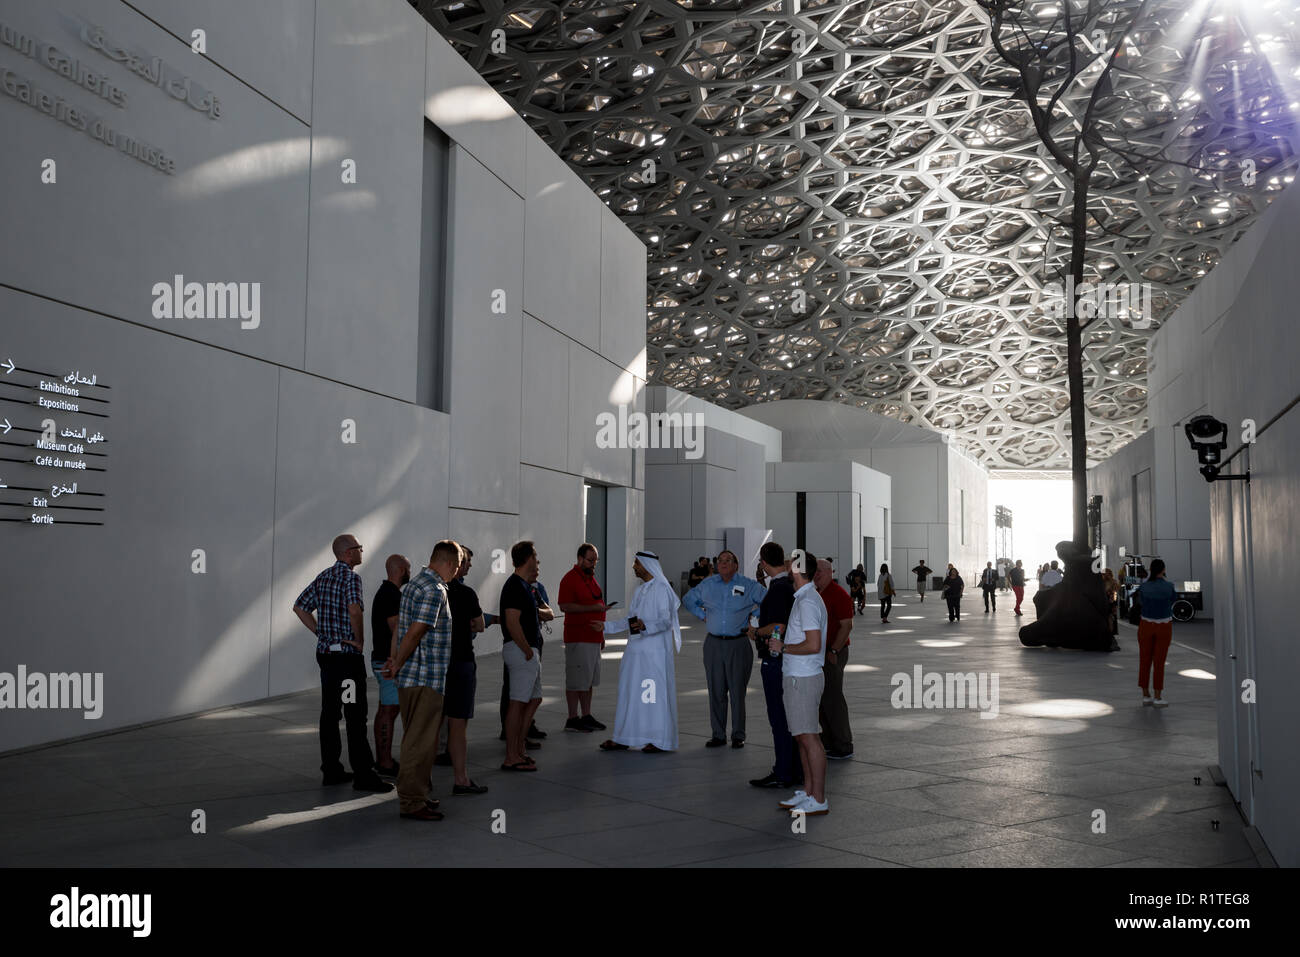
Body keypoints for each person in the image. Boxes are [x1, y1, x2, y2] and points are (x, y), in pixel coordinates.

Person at [293, 534, 391, 793]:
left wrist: (320, 633)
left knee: (330, 713)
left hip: (327, 656)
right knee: (355, 714)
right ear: (348, 553)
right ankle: (363, 775)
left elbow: (300, 607)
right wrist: (358, 641)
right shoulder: (350, 577)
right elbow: (354, 610)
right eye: (359, 548)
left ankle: (332, 769)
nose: (362, 551)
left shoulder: (323, 576)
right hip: (346, 659)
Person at [382, 539, 462, 820]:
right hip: (426, 676)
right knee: (420, 741)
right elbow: (415, 632)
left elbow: (400, 630)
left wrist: (394, 662)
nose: (456, 573)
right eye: (458, 567)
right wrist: (397, 663)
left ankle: (418, 794)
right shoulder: (435, 589)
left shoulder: (414, 584)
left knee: (416, 738)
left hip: (411, 676)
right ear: (450, 564)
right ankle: (412, 801)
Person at [598, 551, 681, 753]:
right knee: (630, 694)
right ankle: (625, 737)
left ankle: (659, 739)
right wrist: (604, 627)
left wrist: (646, 626)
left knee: (652, 697)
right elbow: (631, 620)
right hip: (635, 653)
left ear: (646, 564)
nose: (634, 567)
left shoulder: (662, 589)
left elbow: (665, 621)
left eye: (636, 563)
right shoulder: (640, 590)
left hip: (654, 657)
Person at [682, 549, 765, 748]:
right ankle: (718, 735)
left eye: (728, 560)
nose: (724, 563)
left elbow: (768, 600)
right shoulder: (708, 585)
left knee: (737, 692)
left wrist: (754, 619)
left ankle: (738, 735)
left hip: (738, 644)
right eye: (720, 560)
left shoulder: (747, 585)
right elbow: (688, 600)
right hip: (713, 644)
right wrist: (702, 615)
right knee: (716, 691)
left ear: (736, 565)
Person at [771, 550, 829, 817]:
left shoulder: (807, 602)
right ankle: (808, 792)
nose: (784, 565)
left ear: (795, 569)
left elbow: (813, 644)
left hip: (803, 678)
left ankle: (818, 798)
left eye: (787, 562)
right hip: (798, 676)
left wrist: (784, 647)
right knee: (802, 737)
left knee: (809, 738)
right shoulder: (804, 598)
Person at [747, 541, 801, 789]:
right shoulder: (788, 586)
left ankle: (783, 772)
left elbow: (779, 626)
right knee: (788, 717)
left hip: (775, 660)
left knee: (779, 717)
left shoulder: (779, 588)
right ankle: (794, 768)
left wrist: (756, 631)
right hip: (785, 660)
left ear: (763, 563)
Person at [443, 548, 489, 795]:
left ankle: (422, 782)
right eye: (466, 562)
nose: (469, 566)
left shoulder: (433, 591)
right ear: (455, 563)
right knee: (458, 724)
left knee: (429, 724)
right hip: (461, 662)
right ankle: (461, 779)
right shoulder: (466, 593)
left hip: (438, 665)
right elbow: (479, 624)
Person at [500, 541, 546, 771]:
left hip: (528, 651)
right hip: (522, 652)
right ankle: (511, 756)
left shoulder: (525, 586)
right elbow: (511, 621)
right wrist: (527, 649)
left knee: (534, 699)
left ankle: (519, 749)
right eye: (536, 557)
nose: (537, 562)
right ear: (528, 558)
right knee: (517, 703)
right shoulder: (514, 587)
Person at [557, 544, 609, 733]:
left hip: (593, 637)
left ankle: (586, 714)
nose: (594, 563)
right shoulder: (570, 579)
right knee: (575, 679)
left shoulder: (591, 579)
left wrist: (601, 635)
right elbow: (564, 606)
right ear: (580, 559)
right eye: (590, 560)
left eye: (596, 560)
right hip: (578, 637)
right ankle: (572, 718)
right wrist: (593, 609)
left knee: (588, 680)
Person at [370, 554, 410, 778]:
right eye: (409, 568)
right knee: (388, 710)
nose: (410, 573)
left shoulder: (388, 593)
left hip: (385, 660)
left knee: (387, 708)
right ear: (402, 569)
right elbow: (398, 631)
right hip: (387, 661)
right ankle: (384, 762)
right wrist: (396, 659)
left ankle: (383, 760)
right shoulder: (391, 595)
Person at [814, 558, 854, 760]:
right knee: (822, 699)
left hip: (833, 653)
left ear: (830, 572)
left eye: (821, 570)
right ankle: (828, 738)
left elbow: (846, 625)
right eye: (815, 571)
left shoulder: (839, 594)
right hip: (819, 654)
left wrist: (834, 651)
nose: (817, 574)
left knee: (833, 698)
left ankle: (843, 744)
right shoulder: (816, 594)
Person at [1135, 559, 1177, 707]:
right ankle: (1158, 697)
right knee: (1159, 662)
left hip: (1146, 624)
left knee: (1144, 660)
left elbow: (1140, 602)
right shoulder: (1169, 586)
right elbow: (1173, 600)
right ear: (1163, 570)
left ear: (1151, 570)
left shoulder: (1144, 587)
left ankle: (1146, 695)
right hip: (1164, 625)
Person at [1101, 567, 1121, 652]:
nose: (1104, 575)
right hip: (1105, 603)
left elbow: (1115, 594)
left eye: (1105, 574)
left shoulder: (1113, 582)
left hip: (1110, 603)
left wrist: (1114, 604)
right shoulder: (1101, 582)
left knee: (1111, 619)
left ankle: (1110, 634)